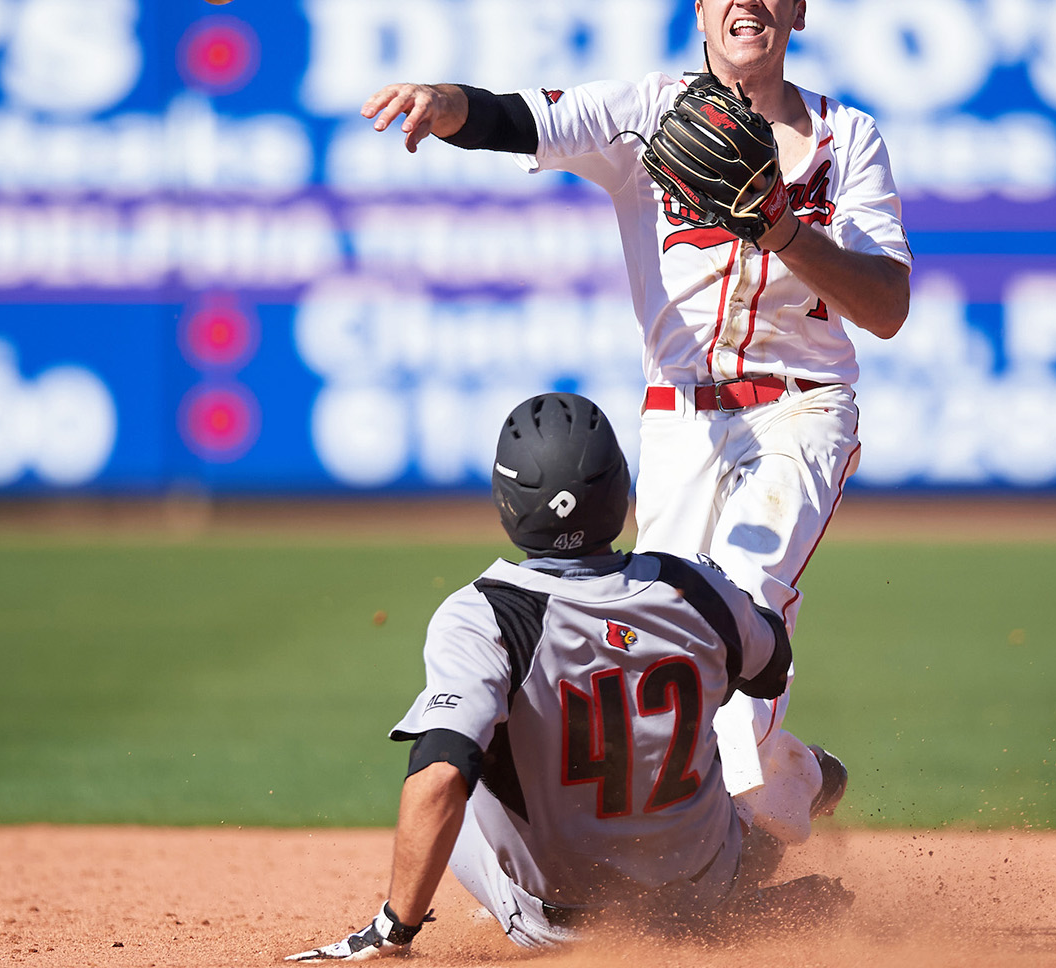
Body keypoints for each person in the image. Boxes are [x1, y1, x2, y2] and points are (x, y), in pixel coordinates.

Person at [359, 0, 909, 843]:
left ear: (799, 10)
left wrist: (781, 226)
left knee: (738, 605)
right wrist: (442, 102)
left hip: (802, 409)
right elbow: (517, 117)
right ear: (699, 7)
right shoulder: (646, 111)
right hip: (679, 419)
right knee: (673, 637)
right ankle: (796, 776)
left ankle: (759, 860)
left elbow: (887, 306)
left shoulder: (847, 137)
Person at [287, 392, 843, 960]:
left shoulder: (482, 615)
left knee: (460, 751)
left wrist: (393, 928)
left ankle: (690, 898)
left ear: (506, 501)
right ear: (620, 490)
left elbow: (439, 780)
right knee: (726, 743)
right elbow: (770, 669)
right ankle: (785, 822)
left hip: (558, 923)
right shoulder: (697, 588)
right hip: (698, 889)